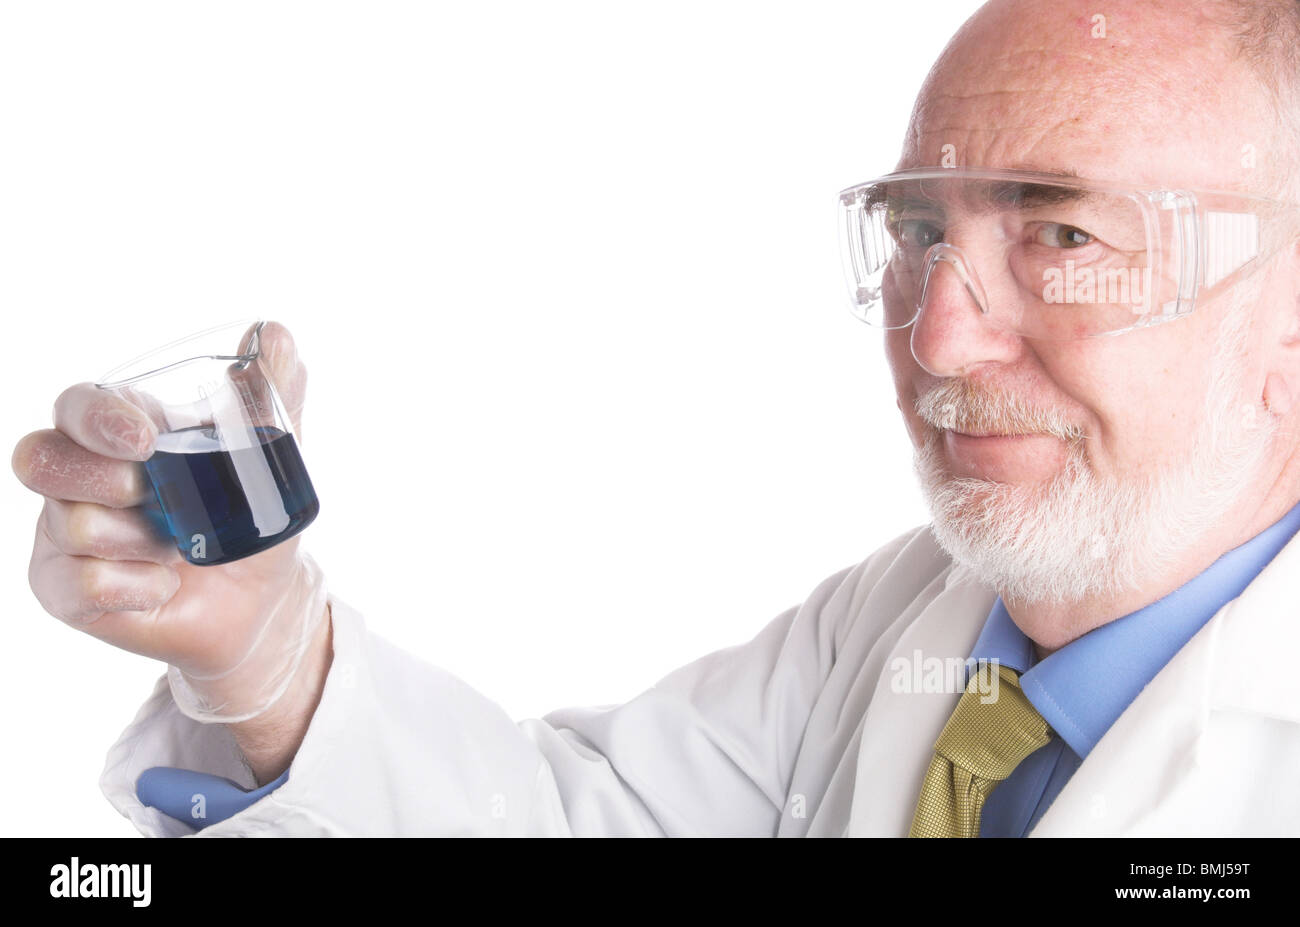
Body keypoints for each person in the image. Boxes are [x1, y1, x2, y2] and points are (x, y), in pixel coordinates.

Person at [13, 0, 1300, 837]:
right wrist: (263, 651)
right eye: (916, 230)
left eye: (1063, 235)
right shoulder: (916, 619)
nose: (937, 336)